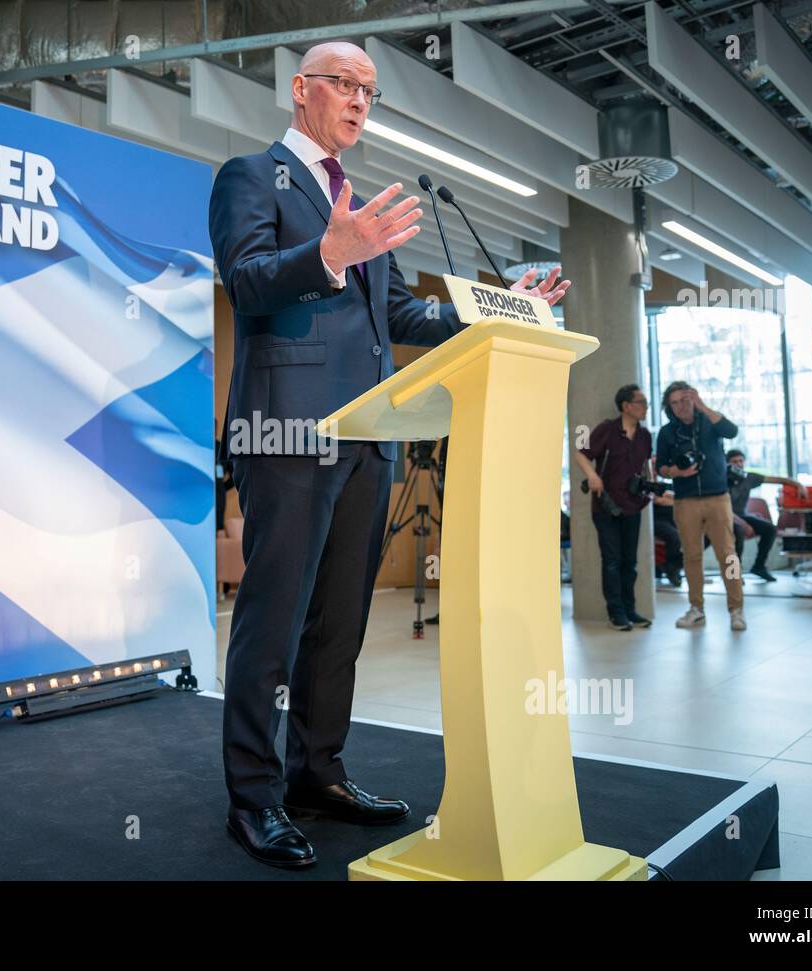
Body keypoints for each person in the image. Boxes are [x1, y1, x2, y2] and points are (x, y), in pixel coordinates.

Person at [208, 41, 573, 868]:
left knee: (339, 624)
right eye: (345, 83)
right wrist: (331, 251)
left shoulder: (361, 205)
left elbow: (401, 316)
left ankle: (318, 772)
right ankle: (254, 797)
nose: (360, 100)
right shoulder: (250, 176)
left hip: (370, 438)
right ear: (300, 91)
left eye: (370, 89)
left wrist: (497, 312)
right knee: (271, 621)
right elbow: (248, 280)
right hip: (289, 435)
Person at [655, 382, 745, 630]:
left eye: (685, 400)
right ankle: (696, 609)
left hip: (718, 498)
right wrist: (674, 471)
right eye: (674, 403)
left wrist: (703, 406)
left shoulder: (709, 422)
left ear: (693, 398)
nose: (681, 406)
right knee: (691, 556)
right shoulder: (667, 432)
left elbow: (732, 430)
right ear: (669, 407)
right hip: (685, 501)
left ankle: (736, 610)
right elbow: (660, 467)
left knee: (728, 555)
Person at [573, 384, 653, 630]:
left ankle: (630, 610)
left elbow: (646, 466)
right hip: (605, 507)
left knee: (630, 561)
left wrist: (651, 488)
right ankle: (615, 613)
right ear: (626, 406)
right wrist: (593, 476)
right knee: (611, 560)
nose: (645, 407)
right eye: (641, 402)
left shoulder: (645, 435)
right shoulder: (607, 429)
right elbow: (581, 453)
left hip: (633, 505)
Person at [726, 448, 807, 582]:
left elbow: (778, 479)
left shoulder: (749, 478)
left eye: (741, 461)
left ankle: (759, 567)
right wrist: (743, 524)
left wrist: (798, 485)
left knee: (769, 528)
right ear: (727, 464)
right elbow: (722, 509)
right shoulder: (721, 480)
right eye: (735, 461)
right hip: (725, 517)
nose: (739, 464)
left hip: (742, 515)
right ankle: (734, 574)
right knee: (738, 531)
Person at [653, 490, 683, 587]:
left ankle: (673, 566)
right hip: (657, 517)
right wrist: (665, 500)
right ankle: (672, 567)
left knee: (704, 534)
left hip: (674, 516)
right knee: (675, 537)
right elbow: (655, 500)